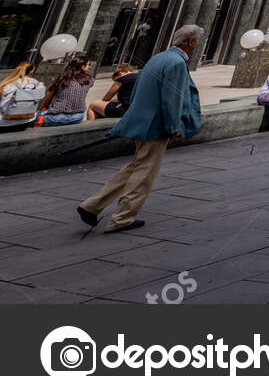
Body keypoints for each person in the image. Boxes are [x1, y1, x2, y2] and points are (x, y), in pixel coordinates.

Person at [77, 24, 203, 234]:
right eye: (198, 41)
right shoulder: (177, 63)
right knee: (145, 173)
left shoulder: (159, 57)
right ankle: (122, 218)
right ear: (190, 42)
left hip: (140, 121)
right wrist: (173, 126)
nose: (198, 45)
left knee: (137, 166)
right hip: (155, 125)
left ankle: (92, 205)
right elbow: (172, 99)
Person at [40, 55, 93, 126]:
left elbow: (47, 100)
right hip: (78, 117)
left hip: (56, 117)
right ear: (82, 67)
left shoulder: (62, 79)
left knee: (32, 118)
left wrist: (42, 112)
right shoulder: (89, 80)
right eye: (88, 65)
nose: (89, 66)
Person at [0, 62, 46, 131]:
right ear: (31, 71)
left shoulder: (9, 83)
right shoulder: (38, 85)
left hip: (4, 122)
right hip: (26, 121)